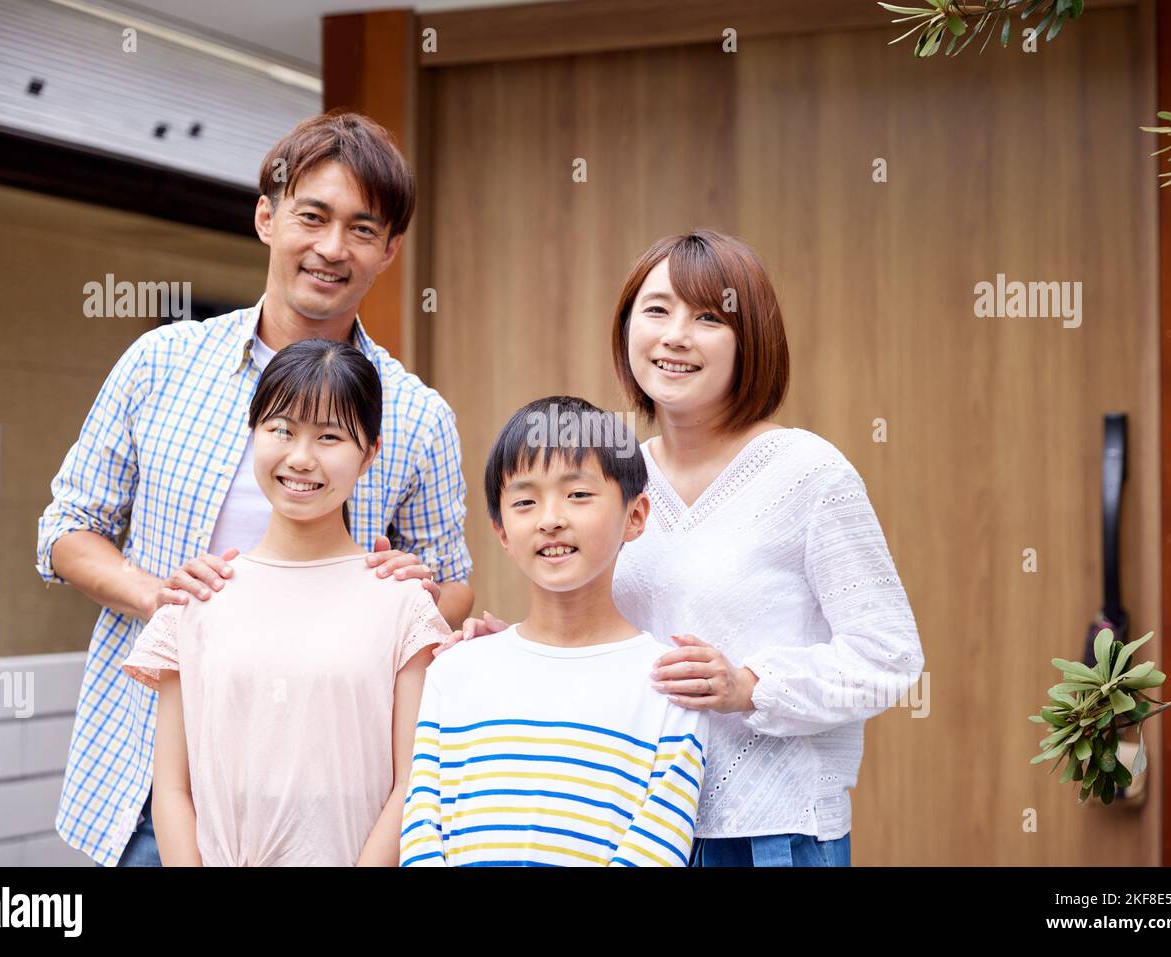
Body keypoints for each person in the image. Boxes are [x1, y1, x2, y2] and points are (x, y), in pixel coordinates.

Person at [36, 111, 475, 867]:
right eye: (313, 216)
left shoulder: (417, 415)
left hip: (327, 796)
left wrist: (422, 590)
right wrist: (159, 599)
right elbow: (66, 528)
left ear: (390, 250)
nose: (333, 248)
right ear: (267, 216)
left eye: (363, 229)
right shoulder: (160, 362)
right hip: (150, 774)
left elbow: (454, 587)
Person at [443, 230, 924, 867]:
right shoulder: (616, 479)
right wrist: (521, 647)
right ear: (627, 330)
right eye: (658, 310)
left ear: (750, 340)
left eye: (708, 317)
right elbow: (610, 639)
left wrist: (749, 686)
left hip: (769, 835)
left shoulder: (810, 474)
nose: (676, 336)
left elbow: (889, 658)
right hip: (622, 822)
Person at [121, 338, 449, 865]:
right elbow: (172, 789)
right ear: (253, 435)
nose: (301, 458)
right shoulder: (196, 602)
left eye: (329, 436)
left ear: (369, 454)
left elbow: (412, 785)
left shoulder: (404, 606)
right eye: (281, 430)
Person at [400, 396, 707, 867]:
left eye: (578, 495)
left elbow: (654, 851)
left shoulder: (669, 686)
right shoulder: (454, 670)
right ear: (502, 531)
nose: (550, 519)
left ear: (636, 516)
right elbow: (422, 829)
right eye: (525, 502)